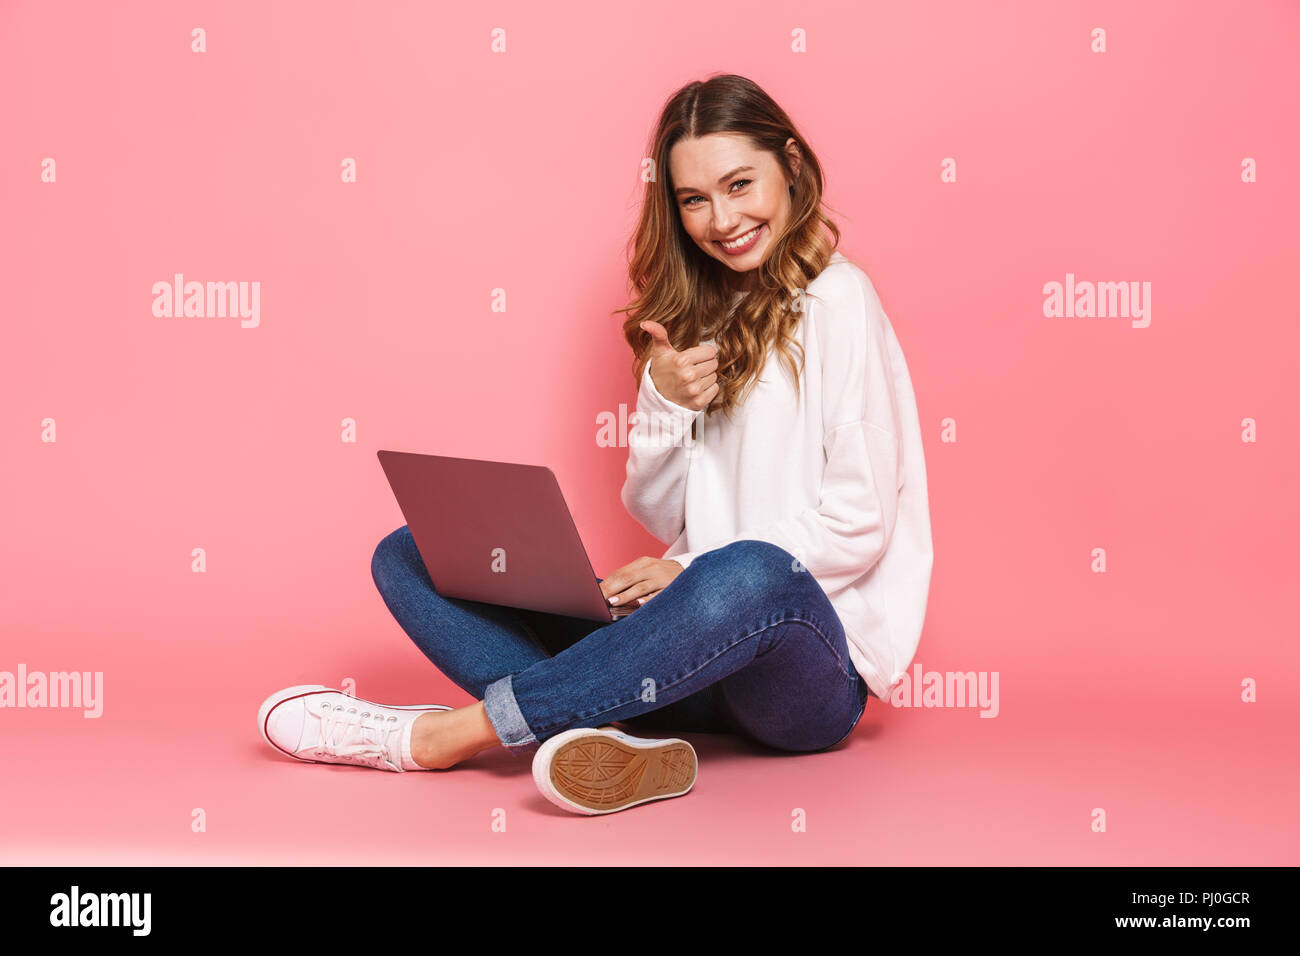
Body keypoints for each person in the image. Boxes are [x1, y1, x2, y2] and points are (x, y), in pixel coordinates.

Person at [258, 73, 934, 815]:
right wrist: (664, 401)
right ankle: (597, 738)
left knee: (753, 572)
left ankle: (450, 736)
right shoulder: (697, 321)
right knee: (409, 552)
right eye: (694, 199)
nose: (723, 218)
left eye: (741, 184)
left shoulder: (840, 300)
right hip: (686, 660)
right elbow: (654, 506)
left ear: (793, 167)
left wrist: (689, 573)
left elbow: (860, 519)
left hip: (803, 675)